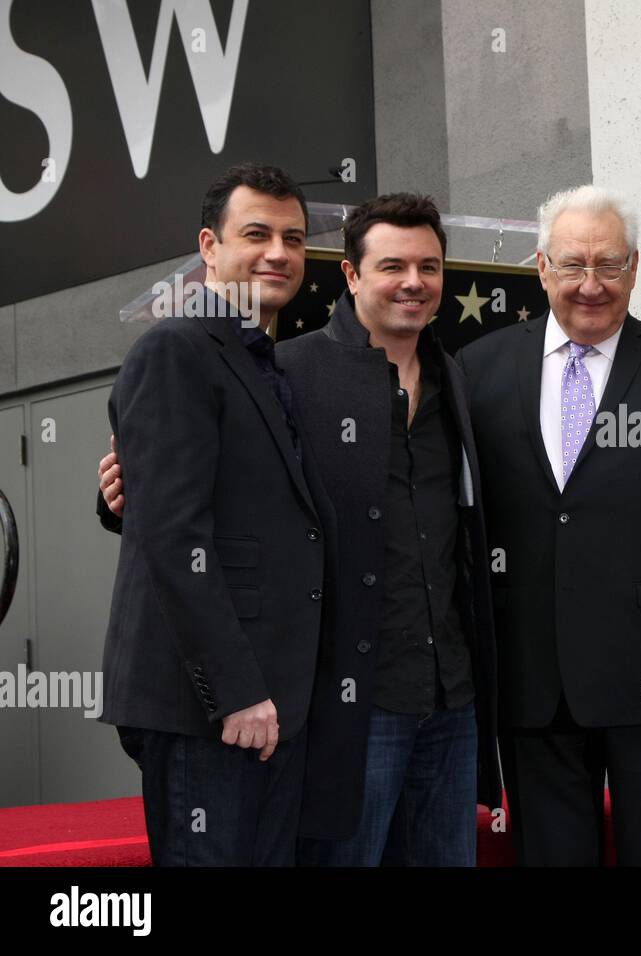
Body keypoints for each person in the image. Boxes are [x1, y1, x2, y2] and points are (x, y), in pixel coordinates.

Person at [100, 193, 500, 866]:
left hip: (449, 698)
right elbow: (201, 504)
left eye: (429, 267)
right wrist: (120, 499)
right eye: (392, 264)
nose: (413, 281)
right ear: (350, 275)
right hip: (347, 703)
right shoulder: (287, 372)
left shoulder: (455, 377)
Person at [455, 185, 641, 865]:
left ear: (635, 267)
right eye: (572, 265)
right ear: (541, 267)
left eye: (609, 265)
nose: (591, 285)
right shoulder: (479, 369)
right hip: (534, 690)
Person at [96, 162, 332, 865]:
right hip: (216, 713)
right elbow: (174, 537)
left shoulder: (266, 362)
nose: (278, 253)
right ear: (209, 246)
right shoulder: (177, 348)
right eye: (255, 233)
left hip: (270, 707)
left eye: (293, 238)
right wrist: (236, 693)